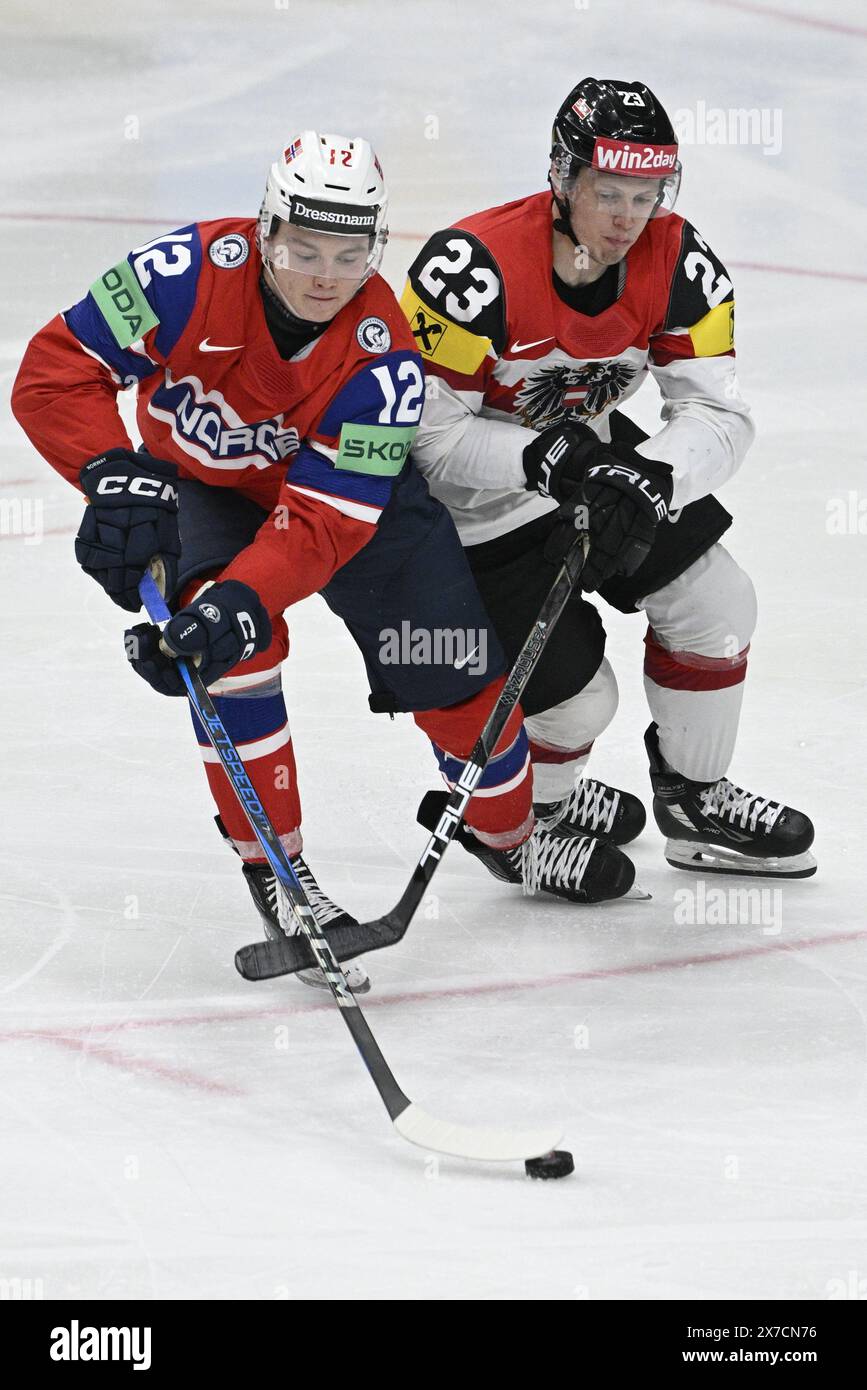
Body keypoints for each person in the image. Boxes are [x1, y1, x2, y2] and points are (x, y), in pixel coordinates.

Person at [12, 130, 639, 997]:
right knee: (235, 655)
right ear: (267, 230)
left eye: (349, 254)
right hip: (203, 488)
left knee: (452, 669)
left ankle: (510, 835)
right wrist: (108, 467)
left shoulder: (385, 357)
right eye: (303, 248)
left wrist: (243, 595)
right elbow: (55, 372)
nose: (323, 274)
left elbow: (324, 520)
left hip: (348, 507)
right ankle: (279, 870)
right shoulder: (176, 272)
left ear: (374, 248)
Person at [401, 78, 815, 879]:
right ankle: (516, 827)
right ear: (563, 178)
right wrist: (540, 459)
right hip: (471, 508)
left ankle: (693, 803)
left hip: (587, 461)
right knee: (580, 702)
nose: (629, 216)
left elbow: (718, 414)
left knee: (716, 606)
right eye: (608, 192)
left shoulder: (679, 260)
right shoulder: (470, 269)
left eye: (646, 193)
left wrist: (652, 473)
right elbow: (428, 443)